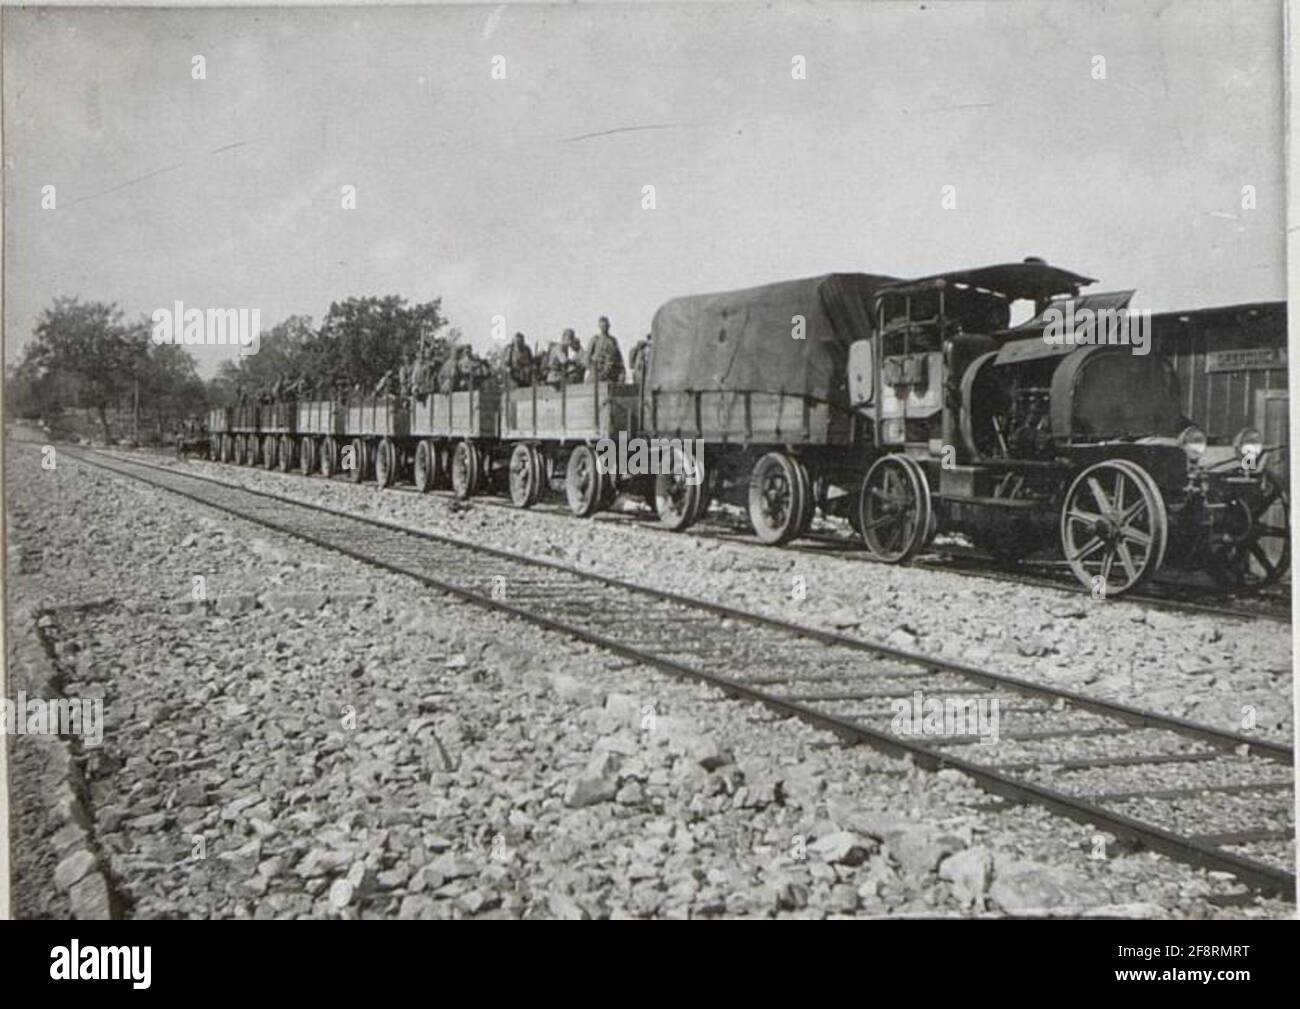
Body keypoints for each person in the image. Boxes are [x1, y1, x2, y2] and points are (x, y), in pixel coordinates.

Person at [586, 316, 625, 383]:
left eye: (606, 326)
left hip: (609, 373)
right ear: (599, 326)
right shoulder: (595, 340)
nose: (604, 328)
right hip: (596, 373)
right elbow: (587, 358)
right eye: (602, 326)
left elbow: (618, 358)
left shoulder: (613, 340)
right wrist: (593, 370)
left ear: (609, 326)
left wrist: (621, 372)